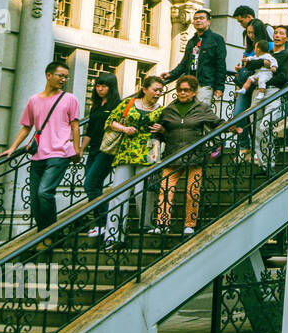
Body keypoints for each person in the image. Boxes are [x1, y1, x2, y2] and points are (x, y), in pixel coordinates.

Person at [0, 61, 81, 231]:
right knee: (35, 198)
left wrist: (77, 149)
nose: (63, 79)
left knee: (44, 193)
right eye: (60, 75)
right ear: (48, 75)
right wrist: (13, 147)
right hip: (38, 155)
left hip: (60, 153)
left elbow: (75, 126)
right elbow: (26, 127)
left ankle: (51, 233)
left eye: (66, 77)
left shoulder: (69, 99)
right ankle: (43, 233)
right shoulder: (34, 100)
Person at [93, 75, 165, 243]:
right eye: (155, 89)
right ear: (145, 89)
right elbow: (110, 121)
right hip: (126, 152)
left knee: (143, 192)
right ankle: (113, 234)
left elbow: (166, 131)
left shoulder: (161, 110)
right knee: (119, 192)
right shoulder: (129, 103)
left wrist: (161, 129)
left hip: (148, 152)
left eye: (161, 90)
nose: (158, 93)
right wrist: (124, 129)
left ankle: (146, 226)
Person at [150, 75, 220, 236]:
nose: (182, 93)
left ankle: (190, 224)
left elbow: (217, 123)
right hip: (172, 155)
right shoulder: (168, 110)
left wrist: (233, 128)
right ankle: (162, 223)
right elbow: (161, 133)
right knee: (165, 190)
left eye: (186, 90)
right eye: (179, 90)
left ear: (194, 92)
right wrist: (155, 146)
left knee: (192, 191)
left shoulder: (202, 108)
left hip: (195, 156)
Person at [78, 70, 120, 218]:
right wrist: (81, 149)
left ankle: (104, 221)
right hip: (94, 149)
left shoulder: (117, 105)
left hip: (107, 150)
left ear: (111, 87)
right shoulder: (95, 105)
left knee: (90, 184)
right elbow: (89, 130)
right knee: (95, 186)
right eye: (97, 86)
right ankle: (101, 223)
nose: (100, 89)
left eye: (104, 86)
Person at [163, 10, 226, 105]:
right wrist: (170, 74)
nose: (198, 21)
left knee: (200, 112)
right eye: (196, 19)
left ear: (208, 21)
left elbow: (220, 64)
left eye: (201, 18)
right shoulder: (191, 41)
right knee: (187, 112)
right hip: (189, 83)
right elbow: (184, 63)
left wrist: (219, 87)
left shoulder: (217, 39)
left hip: (205, 83)